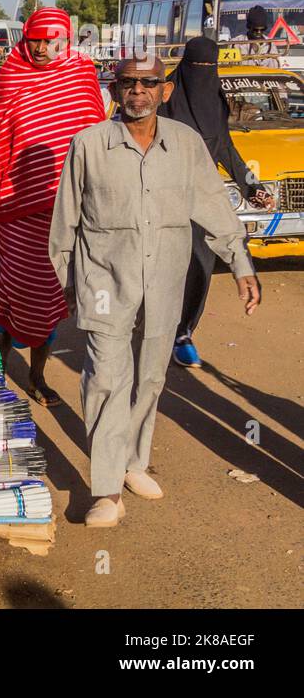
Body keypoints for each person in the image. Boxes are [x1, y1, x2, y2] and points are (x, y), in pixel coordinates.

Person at [50, 54, 259, 527]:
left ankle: (133, 463)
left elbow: (213, 205)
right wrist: (68, 284)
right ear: (114, 90)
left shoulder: (185, 144)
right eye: (128, 83)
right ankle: (106, 490)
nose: (138, 92)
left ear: (165, 91)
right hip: (104, 281)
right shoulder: (88, 145)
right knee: (105, 377)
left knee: (150, 377)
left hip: (165, 280)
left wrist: (241, 263)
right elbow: (65, 222)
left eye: (148, 84)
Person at [0, 7, 105, 406]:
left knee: (51, 301)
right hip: (19, 212)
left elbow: (97, 140)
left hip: (68, 212)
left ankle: (37, 377)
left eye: (50, 40)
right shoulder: (10, 76)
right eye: (35, 39)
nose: (41, 48)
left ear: (65, 39)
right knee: (16, 297)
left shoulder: (82, 75)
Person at [160, 36, 274, 367]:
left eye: (210, 68)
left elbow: (225, 148)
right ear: (186, 66)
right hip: (159, 196)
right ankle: (151, 325)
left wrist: (253, 187)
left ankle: (183, 332)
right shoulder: (163, 96)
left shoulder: (214, 100)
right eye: (198, 67)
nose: (203, 74)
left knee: (200, 262)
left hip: (201, 198)